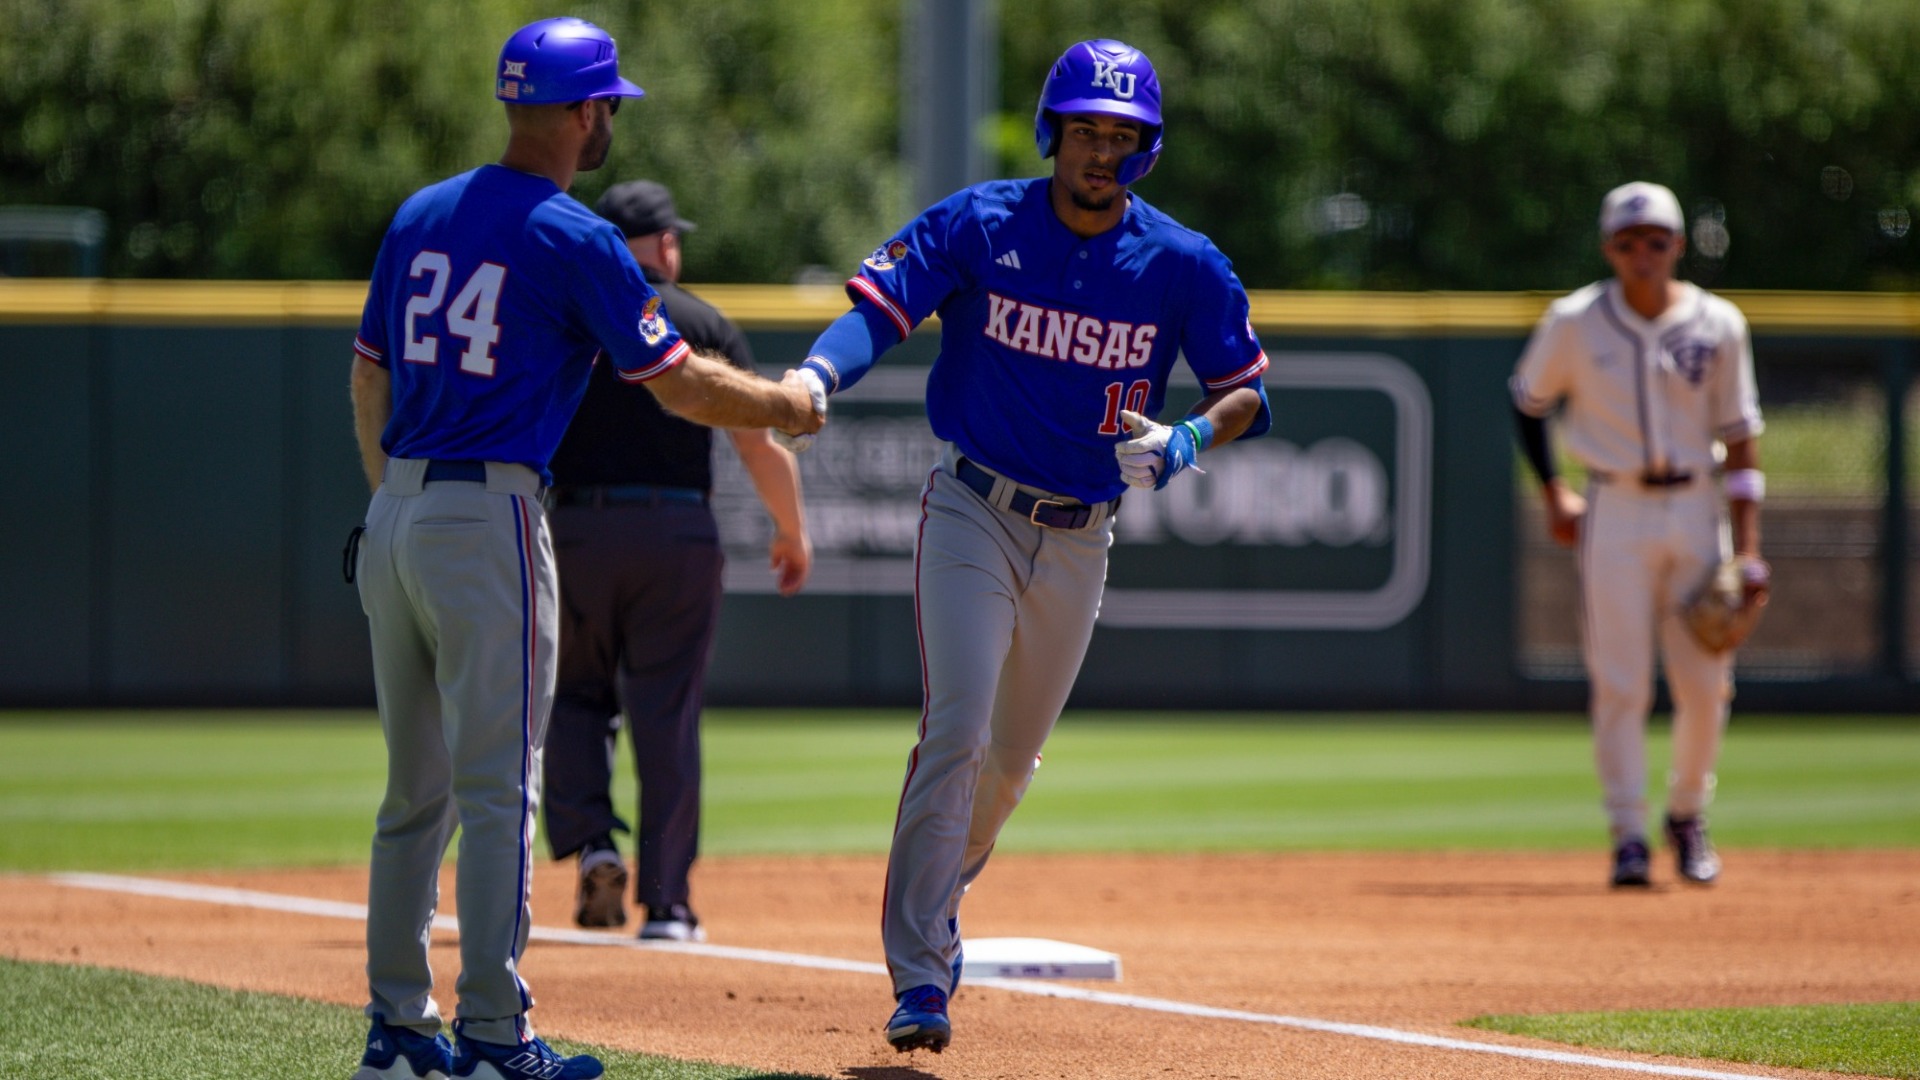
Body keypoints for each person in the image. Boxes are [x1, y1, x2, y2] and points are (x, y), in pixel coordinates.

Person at [345, 18, 822, 1080]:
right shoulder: (571, 236)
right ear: (576, 112)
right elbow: (684, 382)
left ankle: (395, 1030)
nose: (611, 118)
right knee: (496, 786)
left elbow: (367, 378)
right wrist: (785, 402)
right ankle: (494, 1029)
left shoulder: (420, 213)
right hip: (489, 516)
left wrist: (391, 504)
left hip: (397, 517)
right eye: (606, 102)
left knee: (412, 792)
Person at [780, 39, 1273, 1053]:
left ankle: (939, 902)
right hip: (973, 508)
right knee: (956, 730)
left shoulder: (1180, 261)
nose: (1103, 149)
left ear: (1146, 148)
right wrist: (819, 379)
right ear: (1054, 131)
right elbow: (878, 310)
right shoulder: (981, 221)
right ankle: (921, 977)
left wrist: (1187, 436)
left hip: (1083, 534)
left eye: (1123, 135)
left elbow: (1247, 391)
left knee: (1008, 765)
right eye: (1087, 129)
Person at [542, 179, 812, 942]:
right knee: (666, 712)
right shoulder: (702, 321)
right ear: (664, 245)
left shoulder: (570, 316)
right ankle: (667, 905)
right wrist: (792, 533)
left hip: (577, 532)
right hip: (674, 537)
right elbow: (759, 444)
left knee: (573, 697)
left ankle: (594, 843)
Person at [1510, 181, 1767, 890]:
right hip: (1614, 508)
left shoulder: (1720, 324)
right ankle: (1627, 834)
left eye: (1656, 240)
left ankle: (1687, 813)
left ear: (1678, 246)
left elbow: (1742, 441)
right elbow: (1528, 400)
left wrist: (1747, 551)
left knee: (1706, 682)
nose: (1642, 254)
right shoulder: (1575, 320)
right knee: (1619, 683)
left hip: (1695, 508)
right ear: (1609, 249)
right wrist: (1553, 489)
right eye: (1628, 243)